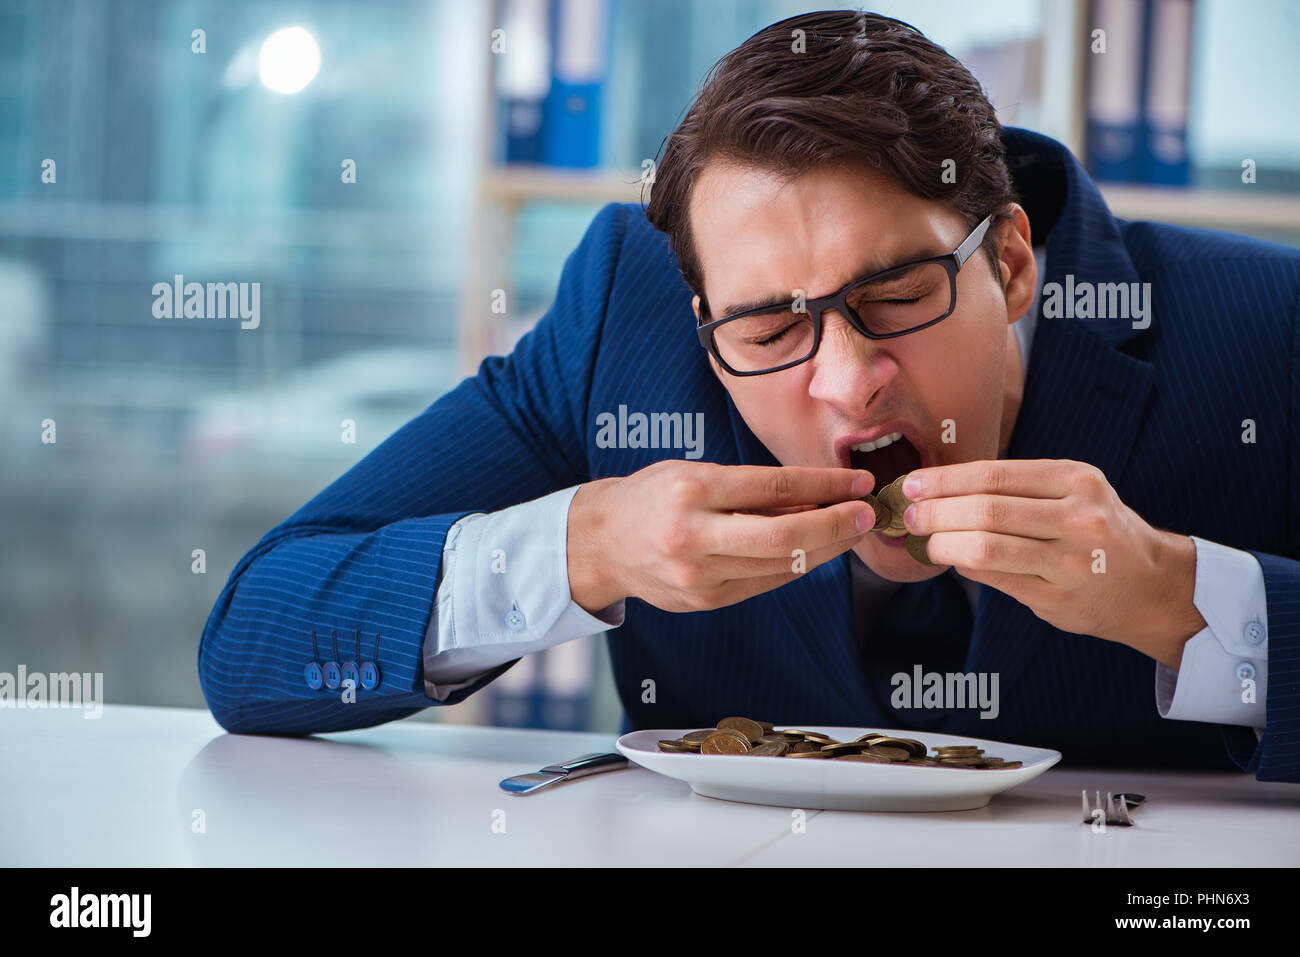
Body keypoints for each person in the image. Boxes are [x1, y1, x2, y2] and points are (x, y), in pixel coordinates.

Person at [198, 11, 1298, 782]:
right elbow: (253, 642)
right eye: (769, 328)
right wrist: (578, 551)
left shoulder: (1261, 327)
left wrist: (1178, 598)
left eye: (900, 294)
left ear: (1009, 263)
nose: (846, 379)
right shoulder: (622, 319)